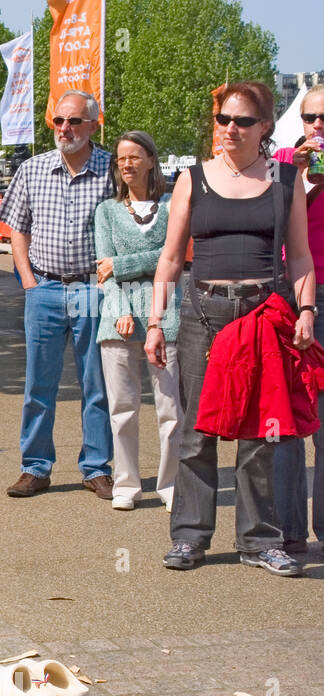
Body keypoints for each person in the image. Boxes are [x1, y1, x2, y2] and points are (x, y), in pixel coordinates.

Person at [148, 81, 317, 576]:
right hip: (204, 314)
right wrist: (157, 320)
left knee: (262, 432)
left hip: (265, 314)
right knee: (198, 432)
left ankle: (259, 541)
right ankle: (189, 537)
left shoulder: (286, 180)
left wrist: (305, 311)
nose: (229, 129)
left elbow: (301, 254)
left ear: (264, 126)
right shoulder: (192, 179)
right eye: (223, 119)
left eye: (242, 121)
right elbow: (172, 258)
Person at [0, 89, 115, 500]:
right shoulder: (32, 169)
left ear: (94, 125)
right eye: (58, 121)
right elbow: (17, 228)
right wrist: (28, 281)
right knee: (38, 385)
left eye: (74, 121)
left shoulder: (111, 170)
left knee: (95, 383)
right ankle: (35, 467)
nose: (65, 128)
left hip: (91, 289)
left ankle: (97, 467)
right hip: (44, 288)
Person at [93, 131, 182, 511]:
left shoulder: (172, 206)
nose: (126, 164)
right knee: (122, 407)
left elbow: (173, 256)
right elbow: (103, 269)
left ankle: (171, 484)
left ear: (150, 160)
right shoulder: (106, 212)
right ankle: (127, 484)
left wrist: (124, 263)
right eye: (120, 158)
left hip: (167, 314)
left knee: (171, 409)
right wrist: (120, 311)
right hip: (118, 318)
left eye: (134, 156)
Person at [271, 84, 324, 554]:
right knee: (285, 422)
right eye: (310, 117)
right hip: (291, 296)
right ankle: (288, 534)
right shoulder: (285, 161)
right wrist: (298, 178)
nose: (318, 126)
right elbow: (266, 219)